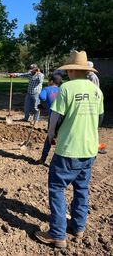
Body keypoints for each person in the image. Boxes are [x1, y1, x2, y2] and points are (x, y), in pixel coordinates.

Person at [35, 50, 104, 248]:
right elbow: (99, 119)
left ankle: (57, 234)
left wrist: (51, 136)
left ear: (72, 70)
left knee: (57, 189)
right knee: (82, 189)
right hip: (89, 150)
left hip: (68, 150)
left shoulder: (66, 89)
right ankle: (78, 227)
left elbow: (55, 119)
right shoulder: (97, 91)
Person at [36, 74, 62, 165]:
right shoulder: (61, 90)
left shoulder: (46, 89)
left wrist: (42, 105)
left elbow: (42, 97)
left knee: (49, 138)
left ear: (51, 81)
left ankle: (43, 159)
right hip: (63, 117)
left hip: (54, 118)